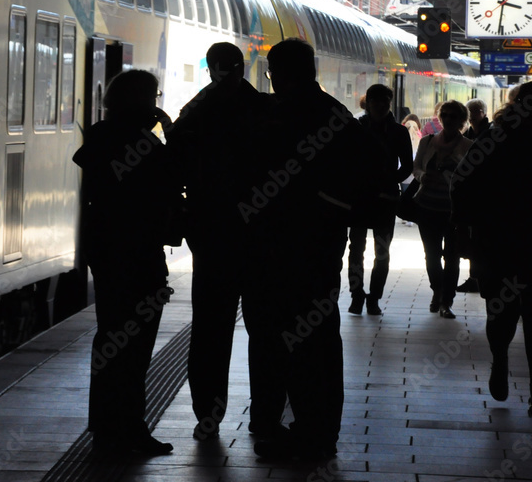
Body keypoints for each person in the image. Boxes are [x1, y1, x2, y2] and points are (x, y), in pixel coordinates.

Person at [248, 40, 381, 461]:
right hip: (319, 247)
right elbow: (366, 181)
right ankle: (316, 429)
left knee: (289, 338)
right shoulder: (336, 115)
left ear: (277, 72)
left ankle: (308, 433)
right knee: (316, 338)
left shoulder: (278, 115)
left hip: (282, 249)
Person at [165, 42, 273, 441]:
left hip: (211, 233)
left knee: (210, 326)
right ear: (243, 68)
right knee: (266, 328)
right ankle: (265, 417)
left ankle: (208, 413)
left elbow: (172, 164)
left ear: (211, 69)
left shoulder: (197, 111)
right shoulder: (264, 109)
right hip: (262, 233)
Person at [72, 69, 181, 455]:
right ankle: (130, 429)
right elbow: (174, 179)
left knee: (110, 338)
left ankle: (105, 429)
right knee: (135, 347)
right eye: (154, 97)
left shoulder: (101, 135)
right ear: (142, 101)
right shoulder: (144, 145)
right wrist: (169, 133)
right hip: (138, 256)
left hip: (106, 252)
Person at [452, 81, 532, 417]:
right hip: (520, 241)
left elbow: (462, 180)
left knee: (520, 315)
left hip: (508, 241)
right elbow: (464, 181)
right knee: (519, 315)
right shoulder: (500, 136)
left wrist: (466, 226)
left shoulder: (496, 137)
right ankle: (506, 364)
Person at [346, 84, 413, 316]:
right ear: (369, 102)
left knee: (364, 249)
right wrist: (391, 179)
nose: (380, 105)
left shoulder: (358, 129)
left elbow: (407, 166)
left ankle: (370, 297)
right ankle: (361, 296)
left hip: (371, 197)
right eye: (376, 100)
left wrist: (385, 179)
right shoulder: (396, 131)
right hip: (374, 198)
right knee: (370, 250)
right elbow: (406, 167)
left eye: (384, 101)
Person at [412, 100, 473, 319]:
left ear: (461, 121)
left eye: (453, 116)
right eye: (444, 115)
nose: (448, 119)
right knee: (431, 255)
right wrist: (422, 176)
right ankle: (437, 290)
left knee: (452, 257)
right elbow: (416, 167)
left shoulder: (467, 146)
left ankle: (446, 300)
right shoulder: (427, 142)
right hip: (427, 207)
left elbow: (471, 177)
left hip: (453, 211)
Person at [456, 98, 492, 293]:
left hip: (482, 197)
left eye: (476, 110)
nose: (473, 114)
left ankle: (478, 277)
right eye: (470, 111)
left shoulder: (490, 135)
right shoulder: (468, 134)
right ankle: (475, 277)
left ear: (484, 113)